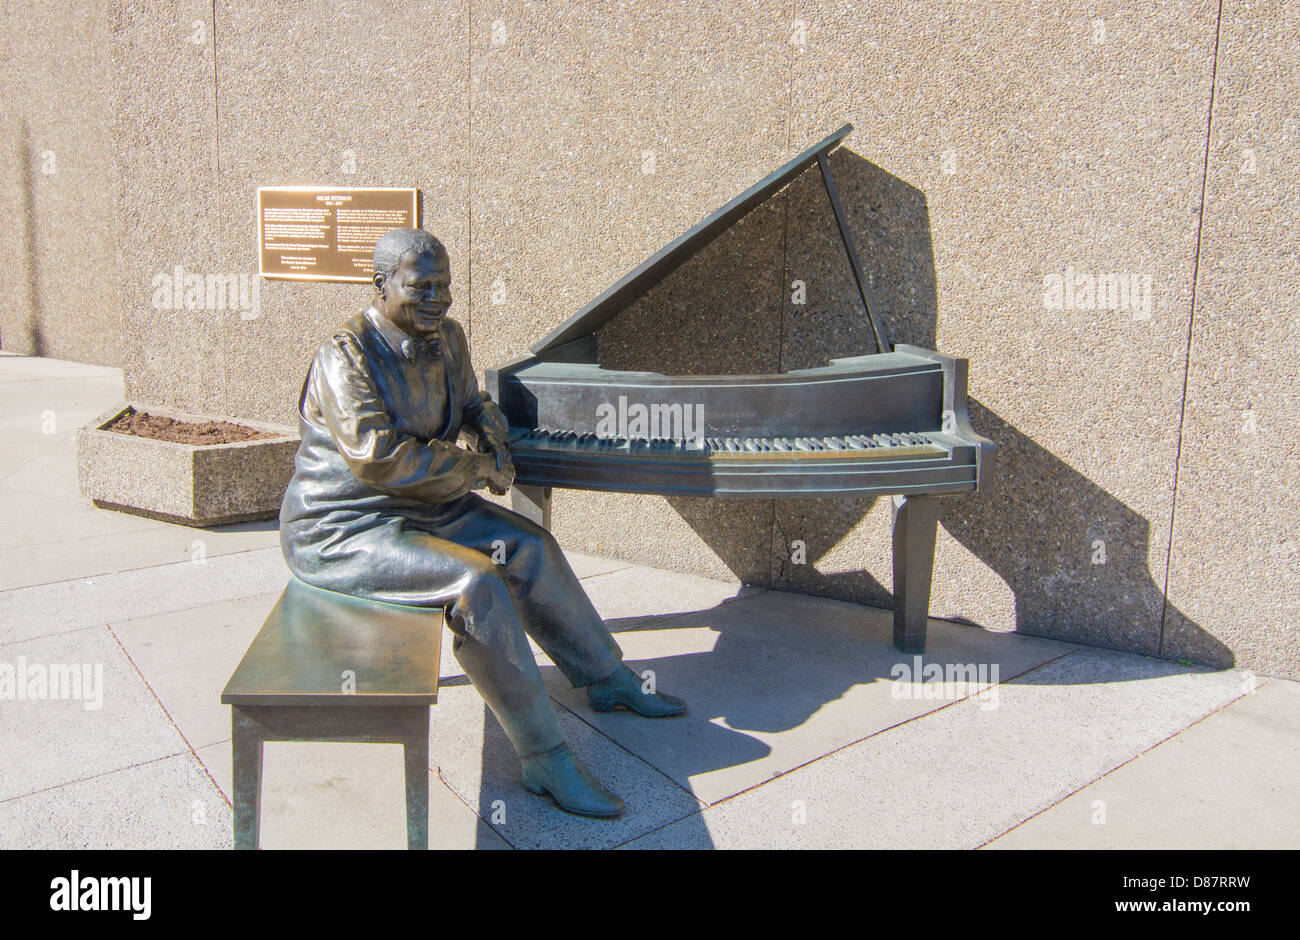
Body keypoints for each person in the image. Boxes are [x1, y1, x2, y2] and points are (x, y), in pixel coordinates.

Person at [279, 227, 685, 818]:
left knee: (530, 545)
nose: (437, 299)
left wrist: (492, 432)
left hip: (429, 506)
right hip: (346, 526)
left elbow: (471, 401)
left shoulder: (448, 337)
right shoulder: (343, 354)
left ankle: (605, 677)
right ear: (381, 284)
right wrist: (475, 469)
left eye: (444, 286)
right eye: (422, 286)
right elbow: (377, 455)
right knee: (476, 584)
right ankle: (545, 758)